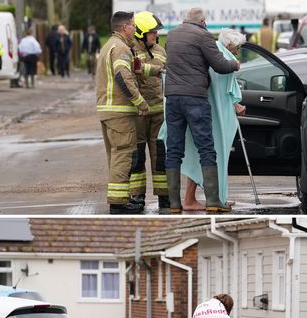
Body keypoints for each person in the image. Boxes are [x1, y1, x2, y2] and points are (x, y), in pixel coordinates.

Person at [158, 28, 245, 211]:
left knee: (179, 152)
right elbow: (221, 81)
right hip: (204, 110)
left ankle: (176, 203)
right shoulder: (219, 54)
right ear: (230, 45)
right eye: (237, 47)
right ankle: (213, 200)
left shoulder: (176, 42)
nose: (238, 51)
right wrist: (235, 65)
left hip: (177, 102)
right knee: (207, 152)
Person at [96, 11, 150, 214]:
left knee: (116, 155)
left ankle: (121, 199)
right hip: (120, 112)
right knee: (123, 155)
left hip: (108, 111)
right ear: (125, 27)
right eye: (134, 26)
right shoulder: (120, 48)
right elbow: (123, 78)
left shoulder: (110, 45)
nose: (135, 29)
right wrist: (140, 103)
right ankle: (119, 204)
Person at [130, 11, 169, 211]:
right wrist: (148, 68)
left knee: (160, 156)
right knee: (137, 157)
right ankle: (137, 197)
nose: (156, 35)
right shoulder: (129, 51)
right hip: (138, 113)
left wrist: (143, 68)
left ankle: (165, 196)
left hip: (158, 112)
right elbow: (131, 70)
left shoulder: (160, 50)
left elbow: (160, 66)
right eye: (152, 32)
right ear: (140, 33)